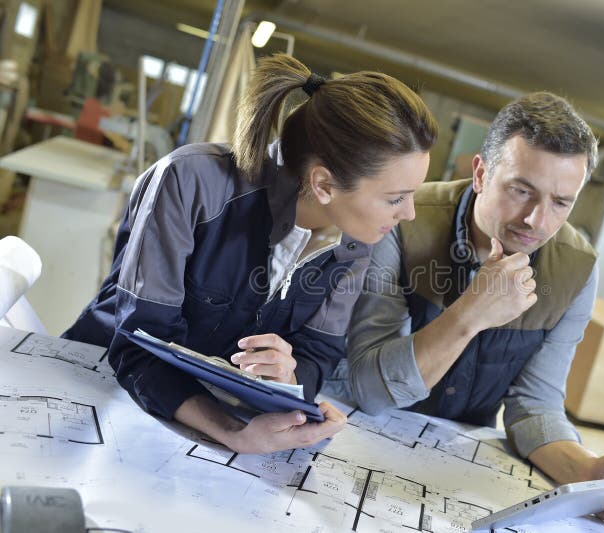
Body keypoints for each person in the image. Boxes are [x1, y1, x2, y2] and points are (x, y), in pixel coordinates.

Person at [63, 54, 437, 455]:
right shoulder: (191, 183)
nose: (409, 214)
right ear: (324, 184)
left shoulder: (355, 240)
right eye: (395, 198)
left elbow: (318, 355)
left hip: (200, 420)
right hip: (95, 387)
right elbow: (138, 344)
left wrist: (286, 376)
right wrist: (231, 433)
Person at [338, 92, 604, 526]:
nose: (536, 220)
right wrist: (471, 312)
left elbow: (535, 406)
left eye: (561, 202)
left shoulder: (576, 270)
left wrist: (588, 474)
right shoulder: (401, 223)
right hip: (350, 438)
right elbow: (370, 390)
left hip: (449, 467)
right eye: (521, 191)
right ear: (480, 173)